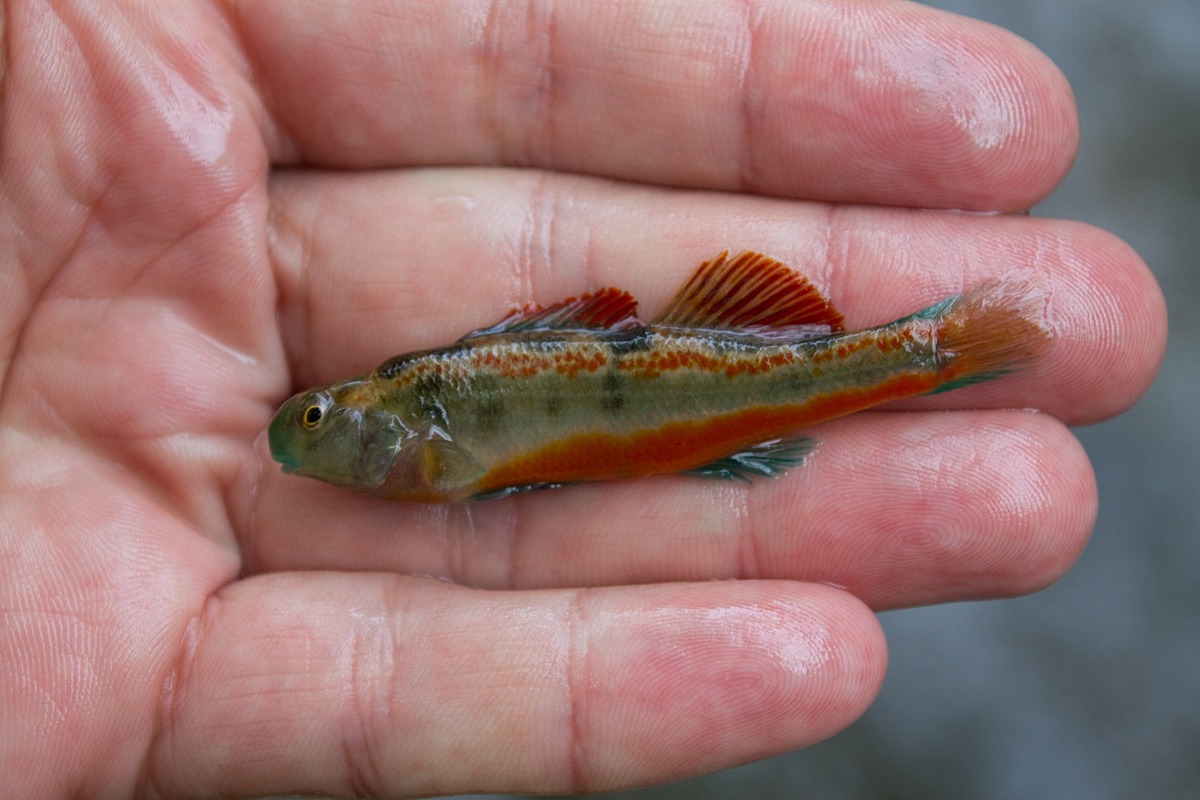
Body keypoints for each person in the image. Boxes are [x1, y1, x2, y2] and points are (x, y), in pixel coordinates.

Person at [0, 2, 1165, 797]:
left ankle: (935, 347)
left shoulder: (429, 412)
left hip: (708, 389)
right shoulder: (420, 428)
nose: (307, 435)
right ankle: (933, 348)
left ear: (370, 419)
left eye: (318, 422)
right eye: (310, 424)